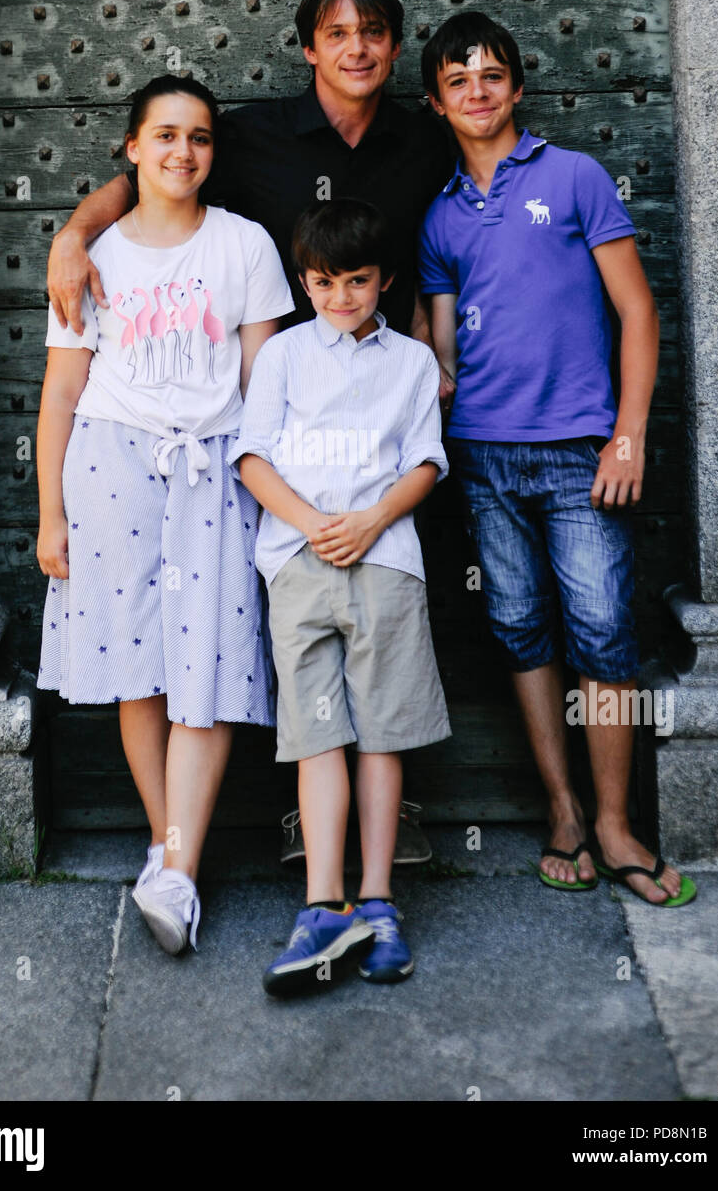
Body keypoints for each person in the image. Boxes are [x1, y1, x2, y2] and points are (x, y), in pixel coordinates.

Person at [45, 0, 454, 865]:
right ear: (309, 47)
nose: (357, 49)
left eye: (375, 32)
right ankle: (292, 812)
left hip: (386, 409)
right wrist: (75, 233)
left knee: (388, 603)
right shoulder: (250, 135)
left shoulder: (428, 140)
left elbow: (465, 222)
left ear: (393, 47)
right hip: (270, 429)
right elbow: (160, 168)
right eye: (338, 34)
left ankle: (390, 813)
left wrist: (443, 346)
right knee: (278, 621)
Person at [418, 11, 696, 908]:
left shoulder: (575, 177)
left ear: (518, 87)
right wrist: (440, 382)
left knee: (605, 634)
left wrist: (628, 432)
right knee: (520, 630)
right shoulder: (439, 216)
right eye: (459, 82)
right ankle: (565, 811)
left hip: (583, 453)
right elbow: (443, 339)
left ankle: (616, 824)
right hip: (484, 459)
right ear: (436, 101)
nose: (478, 92)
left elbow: (639, 313)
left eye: (493, 76)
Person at [35, 74, 295, 956]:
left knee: (209, 660)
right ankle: (168, 848)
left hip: (215, 467)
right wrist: (50, 517)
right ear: (133, 148)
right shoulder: (92, 259)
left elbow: (265, 388)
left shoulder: (245, 246)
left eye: (201, 138)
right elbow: (61, 394)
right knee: (138, 663)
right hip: (110, 465)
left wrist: (276, 495)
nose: (184, 151)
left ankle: (176, 870)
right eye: (167, 135)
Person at [228, 199, 452, 994]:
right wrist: (316, 523)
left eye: (358, 281)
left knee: (383, 731)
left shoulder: (412, 364)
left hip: (386, 559)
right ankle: (325, 906)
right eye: (324, 282)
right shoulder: (284, 357)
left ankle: (381, 902)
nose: (341, 297)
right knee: (316, 734)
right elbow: (252, 459)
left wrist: (370, 521)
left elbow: (426, 461)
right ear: (303, 281)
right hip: (297, 559)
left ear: (385, 281)